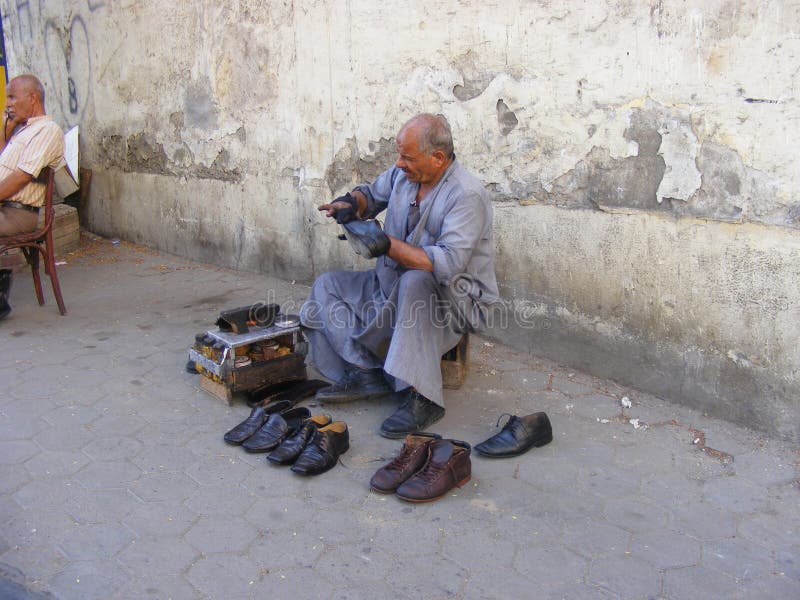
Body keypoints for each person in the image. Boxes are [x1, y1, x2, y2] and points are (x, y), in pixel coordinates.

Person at [300, 113, 499, 438]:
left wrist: (385, 244)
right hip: (391, 286)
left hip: (450, 303)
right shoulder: (405, 174)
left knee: (416, 279)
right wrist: (350, 204)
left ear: (437, 158)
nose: (399, 163)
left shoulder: (467, 195)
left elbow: (447, 264)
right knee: (328, 285)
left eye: (407, 157)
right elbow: (370, 194)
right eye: (399, 155)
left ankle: (423, 396)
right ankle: (367, 370)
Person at [0, 74, 65, 320]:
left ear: (32, 98)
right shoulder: (23, 131)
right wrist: (5, 131)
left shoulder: (47, 130)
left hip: (18, 213)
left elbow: (21, 177)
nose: (8, 103)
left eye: (12, 97)